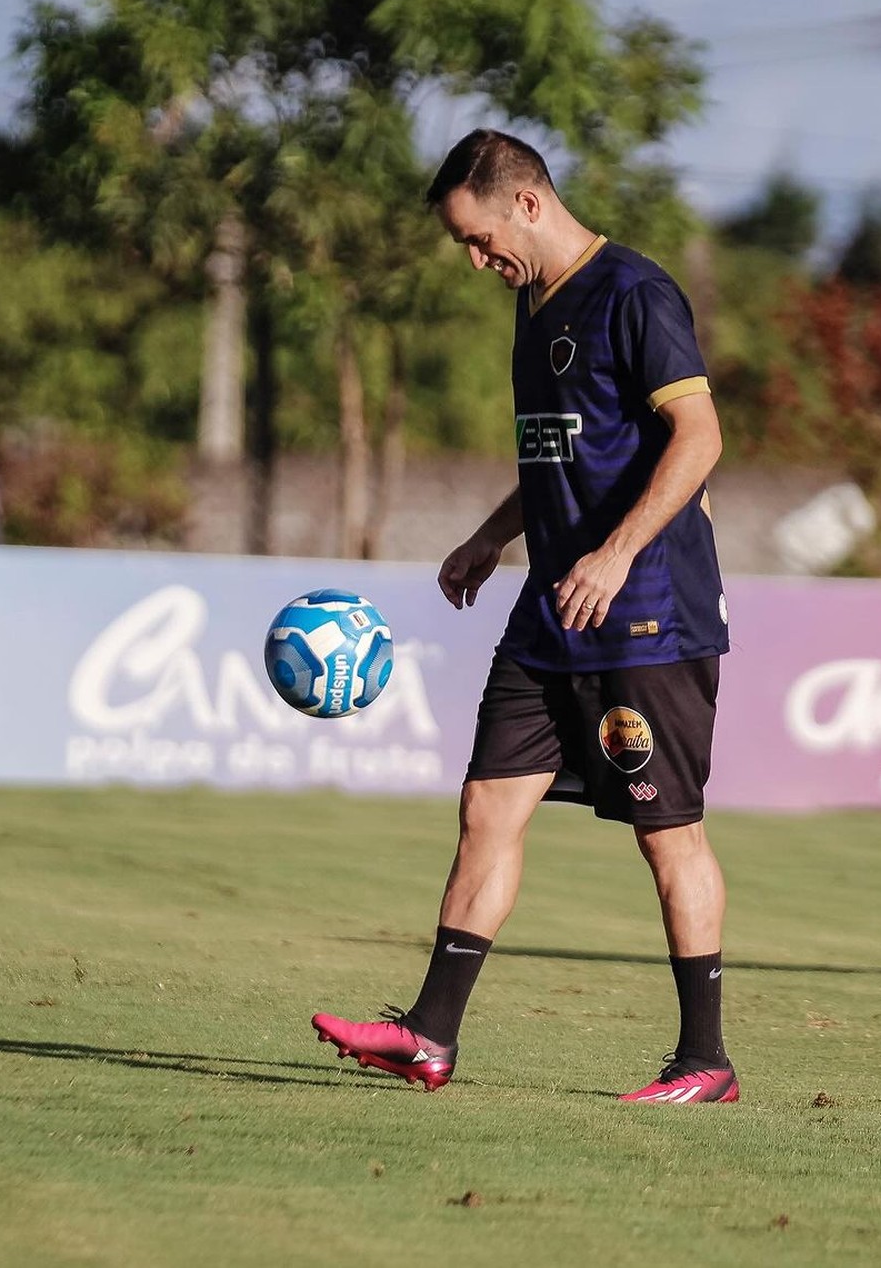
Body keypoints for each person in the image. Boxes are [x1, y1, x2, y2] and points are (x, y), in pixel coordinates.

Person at [312, 129, 737, 1104]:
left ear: (529, 204)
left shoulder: (635, 294)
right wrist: (490, 535)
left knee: (667, 835)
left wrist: (616, 553)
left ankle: (705, 1059)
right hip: (551, 610)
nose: (476, 260)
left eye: (479, 238)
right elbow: (561, 450)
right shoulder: (531, 300)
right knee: (487, 806)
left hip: (647, 614)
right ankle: (428, 1035)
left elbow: (700, 435)